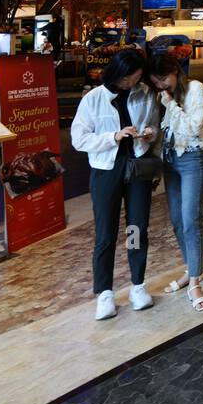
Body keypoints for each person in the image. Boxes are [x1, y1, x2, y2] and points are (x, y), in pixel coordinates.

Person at [70, 48, 161, 320]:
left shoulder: (145, 94)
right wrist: (113, 136)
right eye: (127, 78)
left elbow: (155, 127)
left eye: (136, 78)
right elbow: (79, 139)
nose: (131, 83)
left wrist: (147, 134)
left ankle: (137, 285)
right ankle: (105, 292)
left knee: (136, 227)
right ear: (116, 73)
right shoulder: (94, 99)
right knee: (105, 232)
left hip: (137, 168)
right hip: (106, 170)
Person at [145, 52, 203, 312]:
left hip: (193, 159)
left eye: (164, 78)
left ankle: (195, 281)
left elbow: (193, 128)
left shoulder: (195, 89)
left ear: (175, 70)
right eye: (156, 82)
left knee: (191, 218)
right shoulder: (164, 96)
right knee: (176, 221)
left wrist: (170, 104)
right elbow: (167, 131)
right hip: (170, 161)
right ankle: (191, 269)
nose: (161, 85)